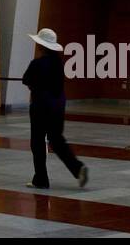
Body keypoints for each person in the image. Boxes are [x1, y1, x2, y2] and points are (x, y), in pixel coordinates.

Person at [22, 27, 88, 189]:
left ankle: (41, 179)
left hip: (40, 107)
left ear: (41, 46)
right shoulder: (58, 63)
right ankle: (77, 167)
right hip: (58, 106)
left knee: (37, 142)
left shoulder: (36, 64)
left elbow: (26, 79)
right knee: (57, 140)